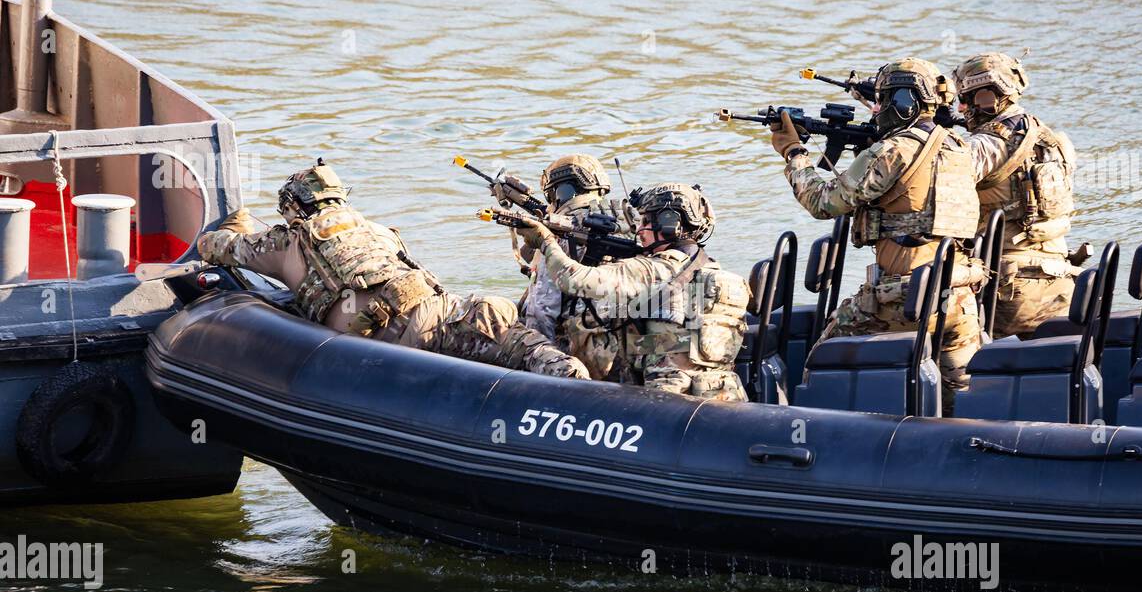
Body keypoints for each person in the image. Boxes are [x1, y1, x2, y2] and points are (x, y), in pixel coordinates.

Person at [197, 161, 589, 378]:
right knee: (506, 328)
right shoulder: (380, 232)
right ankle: (580, 387)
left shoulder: (286, 241)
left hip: (378, 347)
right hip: (434, 320)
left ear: (295, 208)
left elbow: (216, 248)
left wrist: (235, 225)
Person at [768, 57, 985, 402]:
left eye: (884, 100)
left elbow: (823, 202)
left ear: (904, 103)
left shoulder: (892, 150)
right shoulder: (960, 147)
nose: (878, 108)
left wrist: (794, 154)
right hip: (959, 294)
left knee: (819, 363)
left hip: (904, 297)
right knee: (963, 396)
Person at [508, 183, 750, 400]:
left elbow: (575, 280)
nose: (639, 230)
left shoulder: (654, 269)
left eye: (645, 222)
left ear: (670, 224)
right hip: (723, 395)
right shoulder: (722, 275)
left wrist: (545, 241)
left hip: (669, 399)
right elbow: (684, 340)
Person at [953, 52, 1078, 338]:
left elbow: (935, 183)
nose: (960, 109)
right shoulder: (1053, 142)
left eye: (964, 99)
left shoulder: (985, 145)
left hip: (1009, 293)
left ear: (984, 97)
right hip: (1061, 285)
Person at [491, 154, 636, 380]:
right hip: (625, 351)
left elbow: (541, 312)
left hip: (580, 357)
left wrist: (537, 362)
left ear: (560, 191)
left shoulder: (561, 236)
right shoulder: (629, 225)